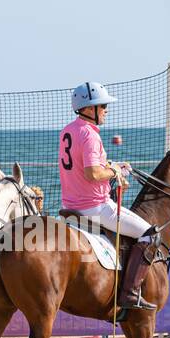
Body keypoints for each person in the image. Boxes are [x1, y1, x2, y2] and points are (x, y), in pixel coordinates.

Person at [59, 81, 157, 311]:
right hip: (96, 207)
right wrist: (115, 171)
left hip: (69, 205)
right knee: (150, 235)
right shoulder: (90, 135)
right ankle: (131, 293)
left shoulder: (68, 130)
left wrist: (112, 165)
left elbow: (85, 166)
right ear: (89, 108)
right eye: (103, 106)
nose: (106, 110)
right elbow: (92, 173)